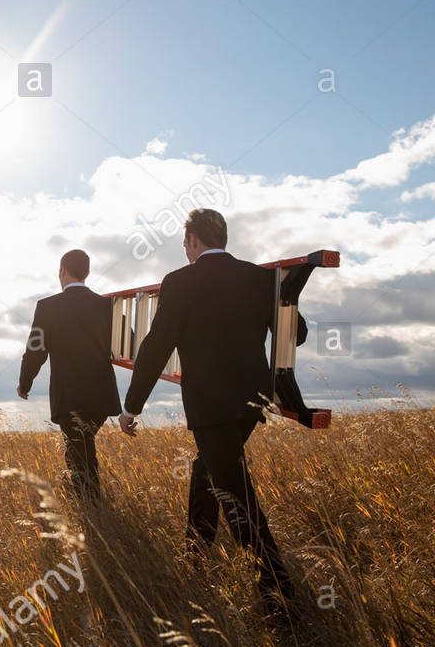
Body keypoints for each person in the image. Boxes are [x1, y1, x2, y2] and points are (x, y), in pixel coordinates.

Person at [118, 209, 305, 616]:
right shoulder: (259, 278)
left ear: (194, 241)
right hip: (251, 402)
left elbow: (155, 347)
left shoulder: (181, 281)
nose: (185, 250)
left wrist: (131, 408)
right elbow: (297, 332)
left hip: (209, 403)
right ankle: (196, 552)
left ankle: (277, 589)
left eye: (184, 243)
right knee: (211, 468)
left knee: (234, 491)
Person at [17, 249, 122, 506]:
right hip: (101, 395)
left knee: (78, 448)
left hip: (69, 395)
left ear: (62, 270)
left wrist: (25, 382)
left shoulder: (47, 307)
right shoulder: (106, 305)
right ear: (87, 273)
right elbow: (127, 342)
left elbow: (36, 349)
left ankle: (91, 506)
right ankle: (86, 502)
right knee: (80, 446)